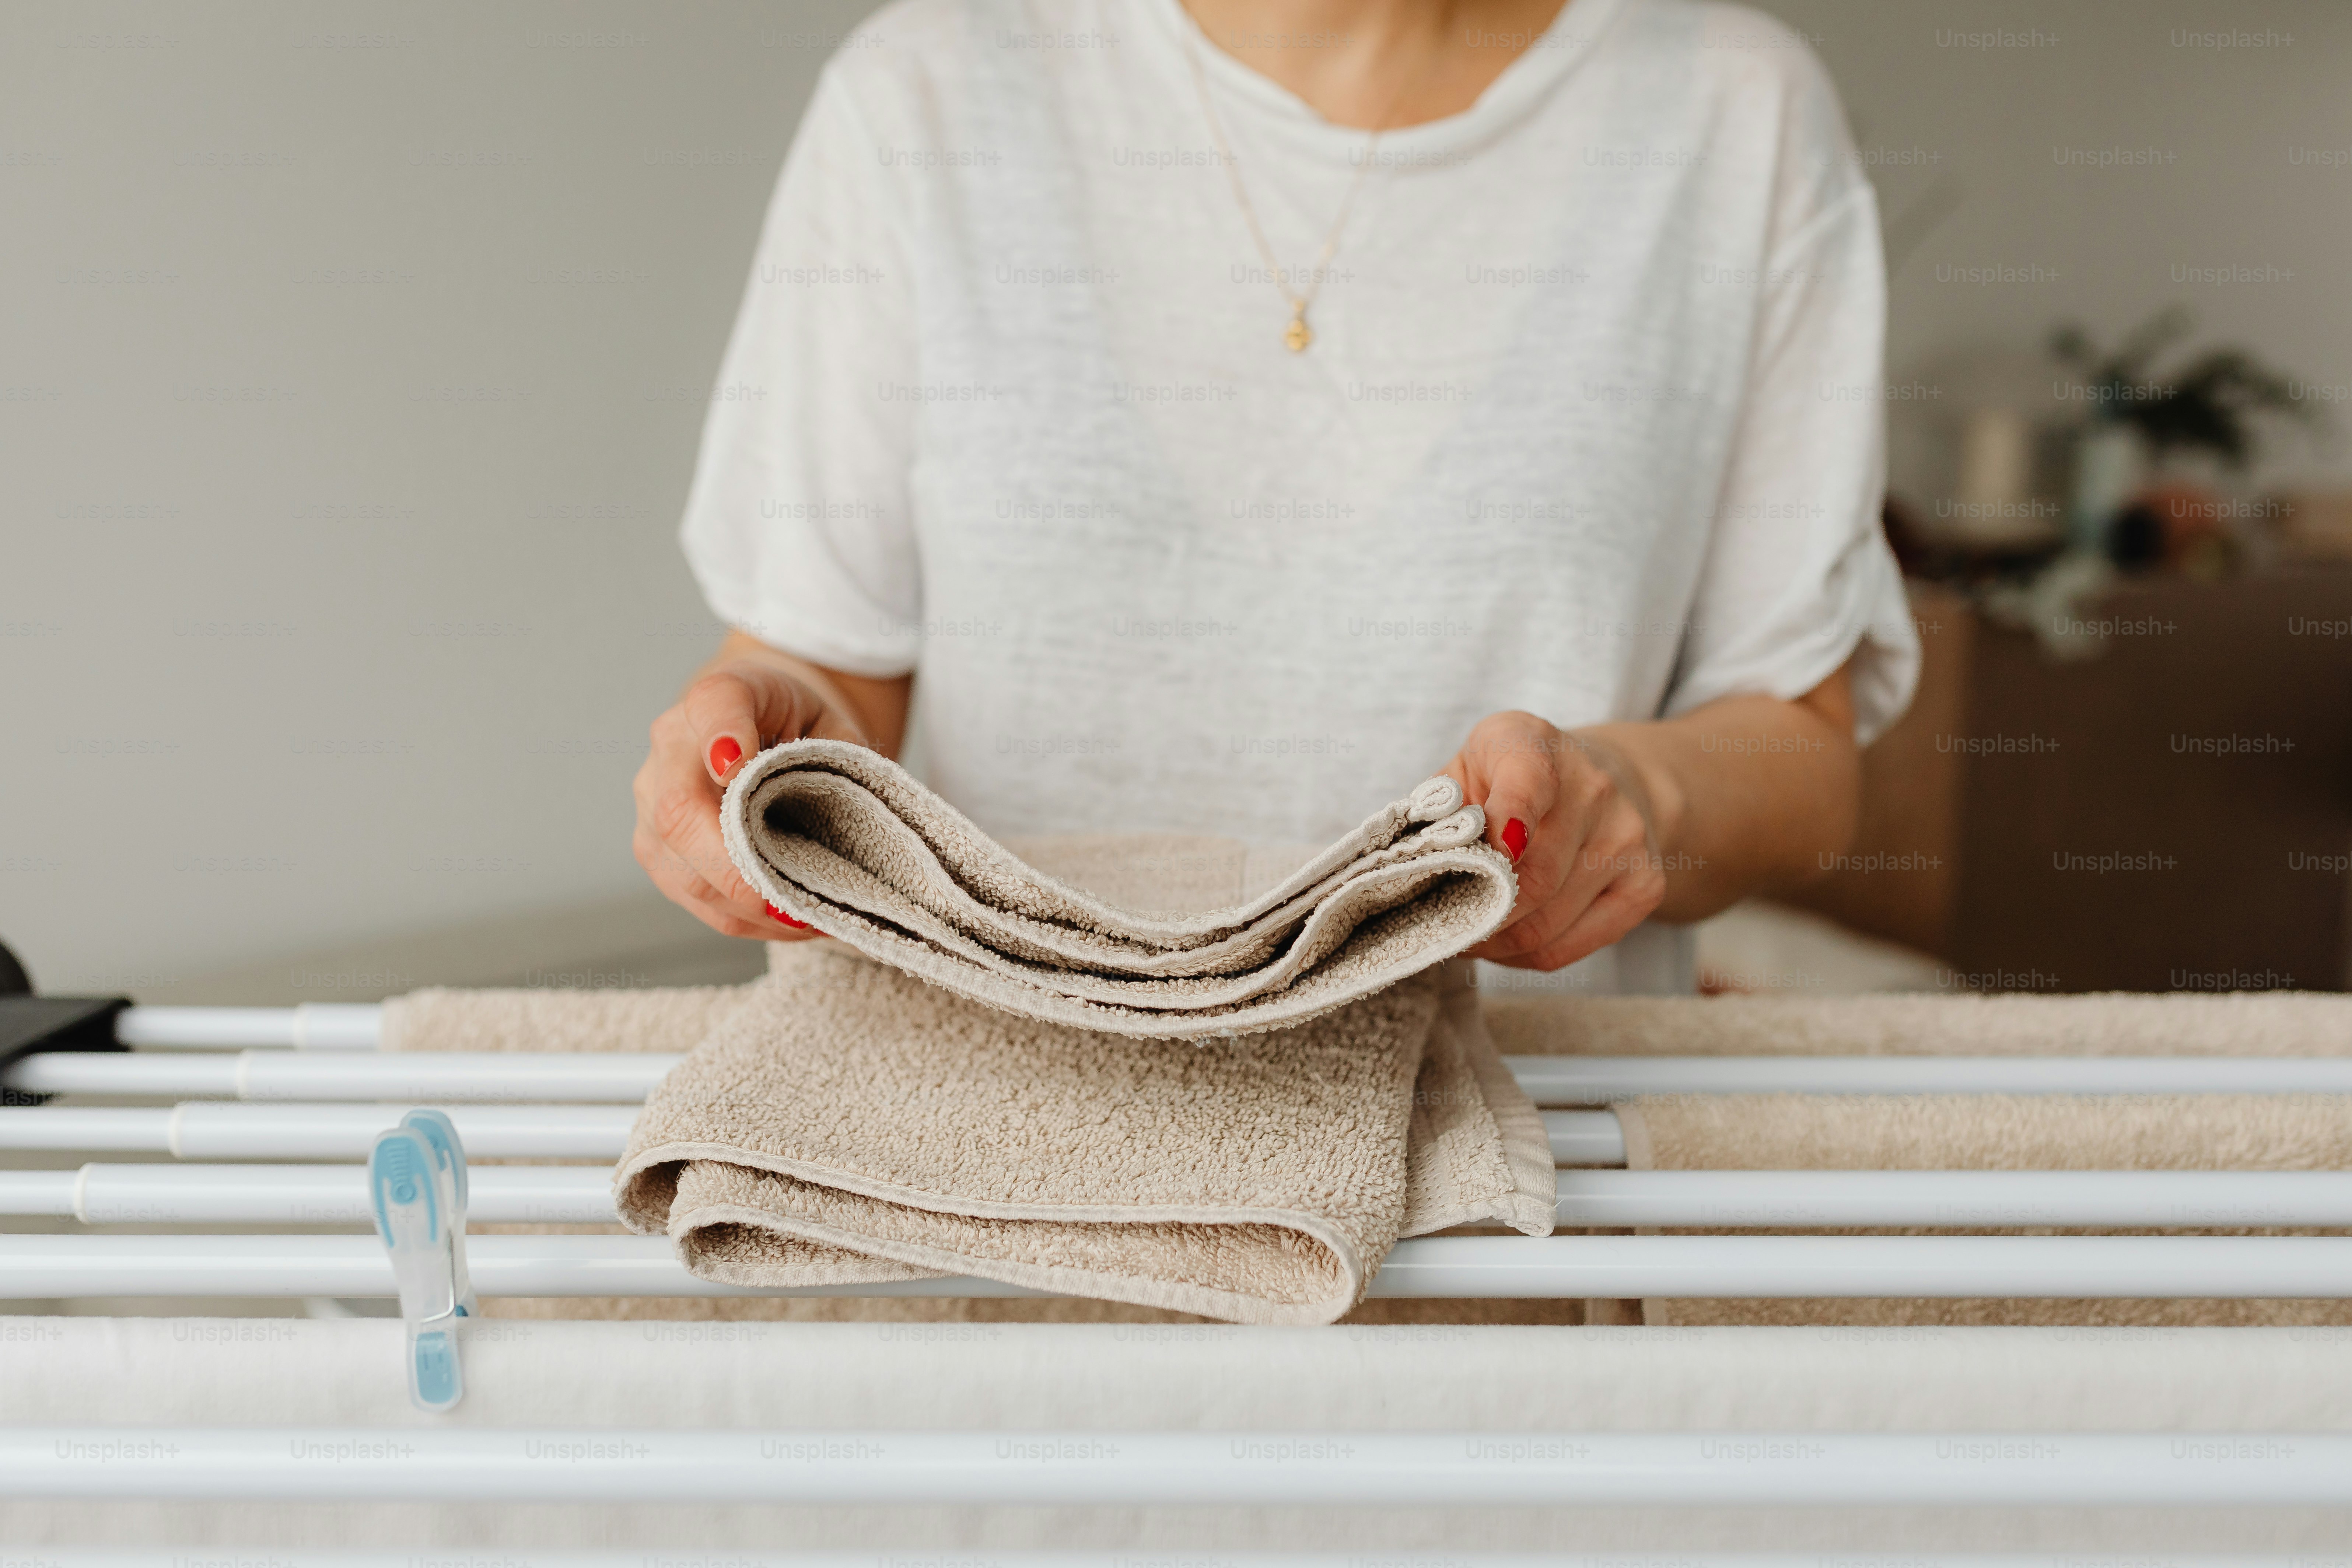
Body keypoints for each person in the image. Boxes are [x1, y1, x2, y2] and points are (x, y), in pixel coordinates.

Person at [634, 0, 1919, 993]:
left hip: (1520, 1197)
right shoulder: (918, 96)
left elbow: (1801, 753)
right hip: (996, 1174)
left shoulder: (1738, 115)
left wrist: (1627, 797)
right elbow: (830, 667)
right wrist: (768, 746)